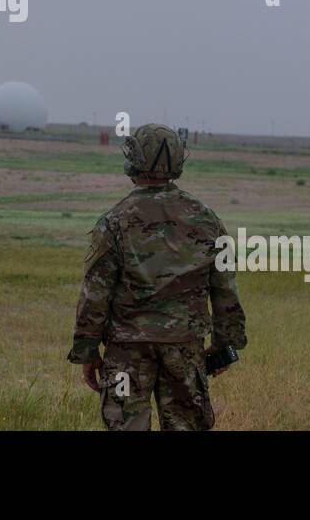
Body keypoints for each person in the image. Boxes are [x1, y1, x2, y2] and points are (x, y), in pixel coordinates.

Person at [68, 123, 246, 430]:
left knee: (126, 424)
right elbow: (225, 287)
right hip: (185, 349)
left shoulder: (115, 221)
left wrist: (87, 351)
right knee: (186, 425)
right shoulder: (206, 218)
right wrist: (225, 343)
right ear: (178, 161)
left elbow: (95, 294)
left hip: (126, 353)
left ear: (133, 161)